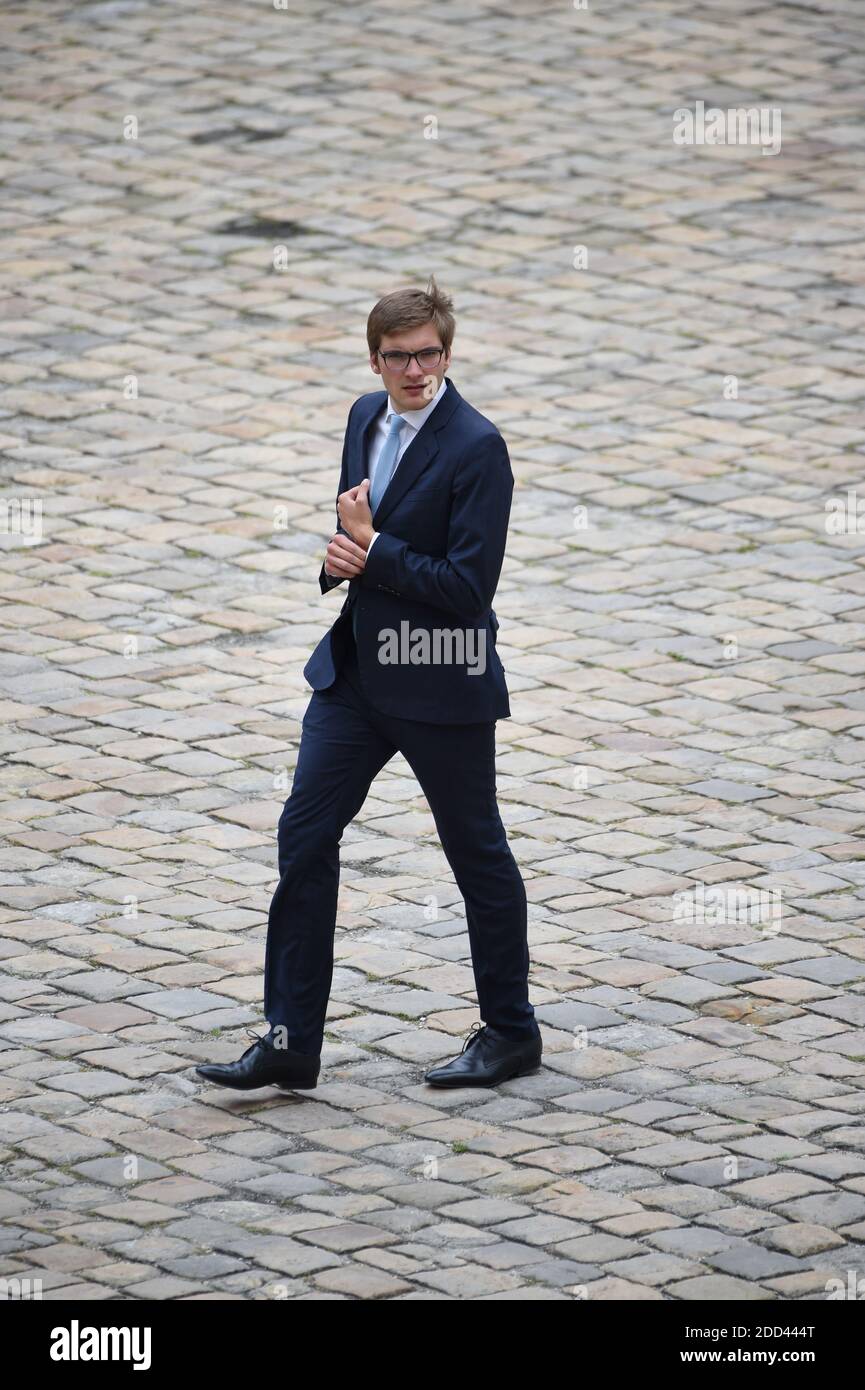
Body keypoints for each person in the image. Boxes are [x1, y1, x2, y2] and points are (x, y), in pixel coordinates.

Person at [196, 277, 542, 1093]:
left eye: (428, 354)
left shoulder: (476, 447)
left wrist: (370, 548)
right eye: (398, 357)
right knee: (304, 839)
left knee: (475, 853)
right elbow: (354, 526)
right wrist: (340, 557)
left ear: (448, 354)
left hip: (439, 674)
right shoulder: (363, 414)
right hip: (354, 674)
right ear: (375, 360)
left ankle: (511, 1033)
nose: (415, 370)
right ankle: (288, 1039)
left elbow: (467, 588)